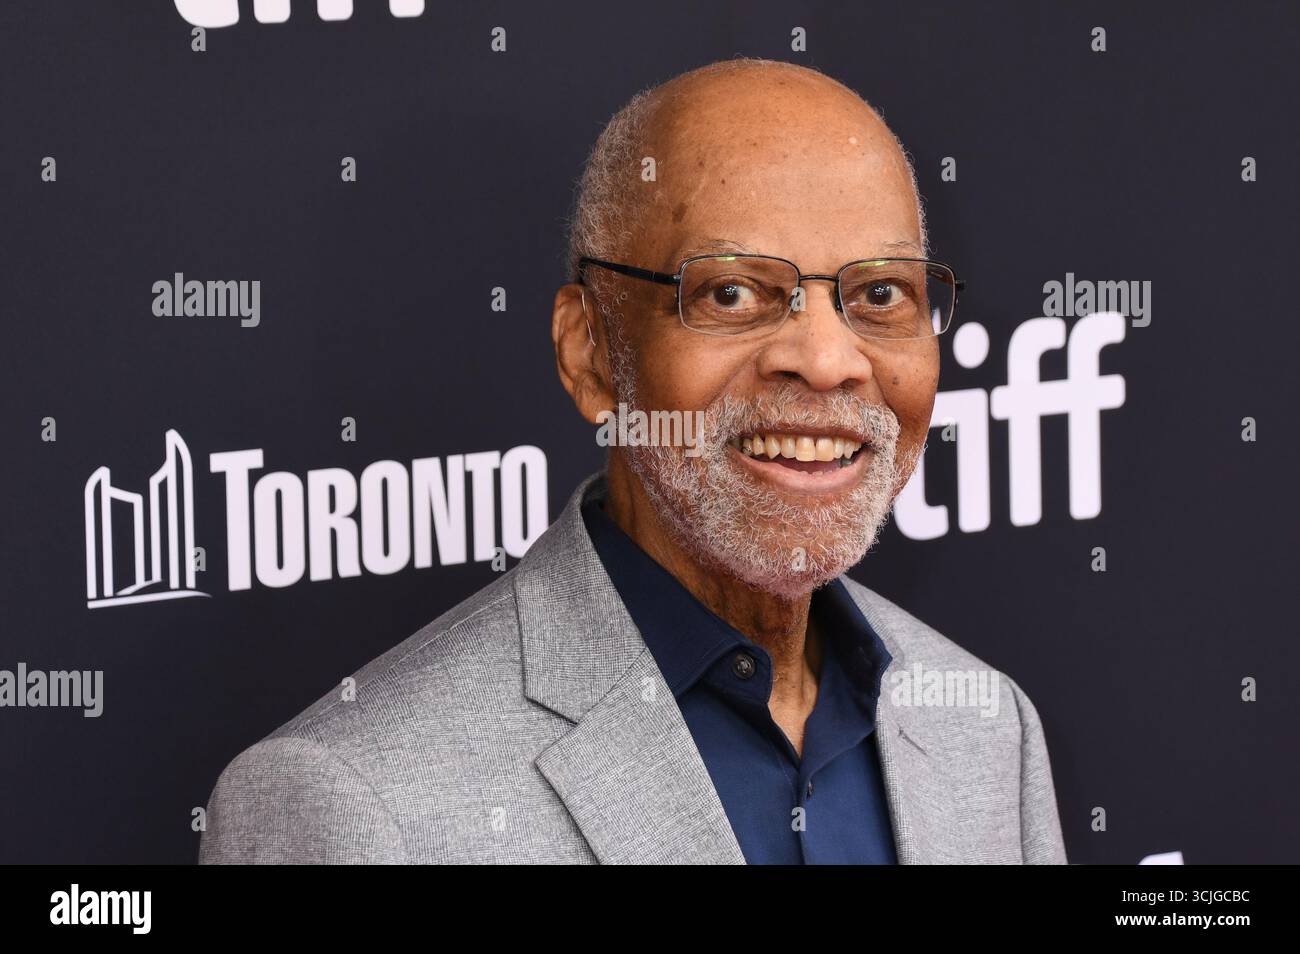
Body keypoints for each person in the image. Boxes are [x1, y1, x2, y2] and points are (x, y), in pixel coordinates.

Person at [200, 58, 1067, 864]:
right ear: (592, 354)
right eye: (731, 292)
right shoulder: (351, 808)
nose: (829, 358)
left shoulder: (987, 726)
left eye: (882, 295)